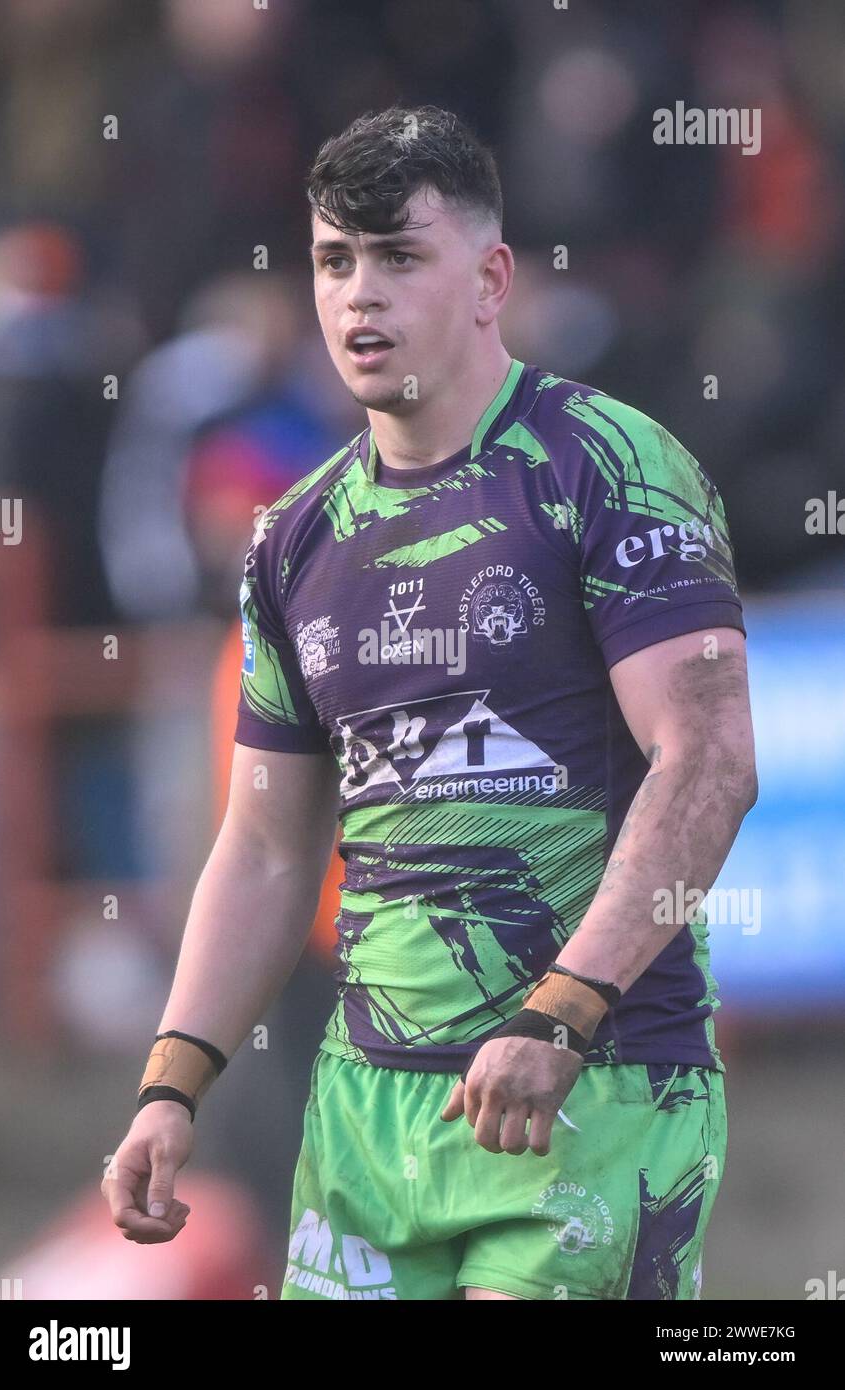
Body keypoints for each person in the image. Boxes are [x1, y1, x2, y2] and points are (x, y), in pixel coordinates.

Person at [102, 105, 758, 1301]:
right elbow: (260, 845)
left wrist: (559, 1012)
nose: (360, 296)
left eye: (399, 257)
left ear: (489, 277)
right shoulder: (291, 540)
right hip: (366, 1110)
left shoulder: (606, 468)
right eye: (333, 260)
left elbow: (706, 765)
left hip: (594, 1085)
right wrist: (168, 1084)